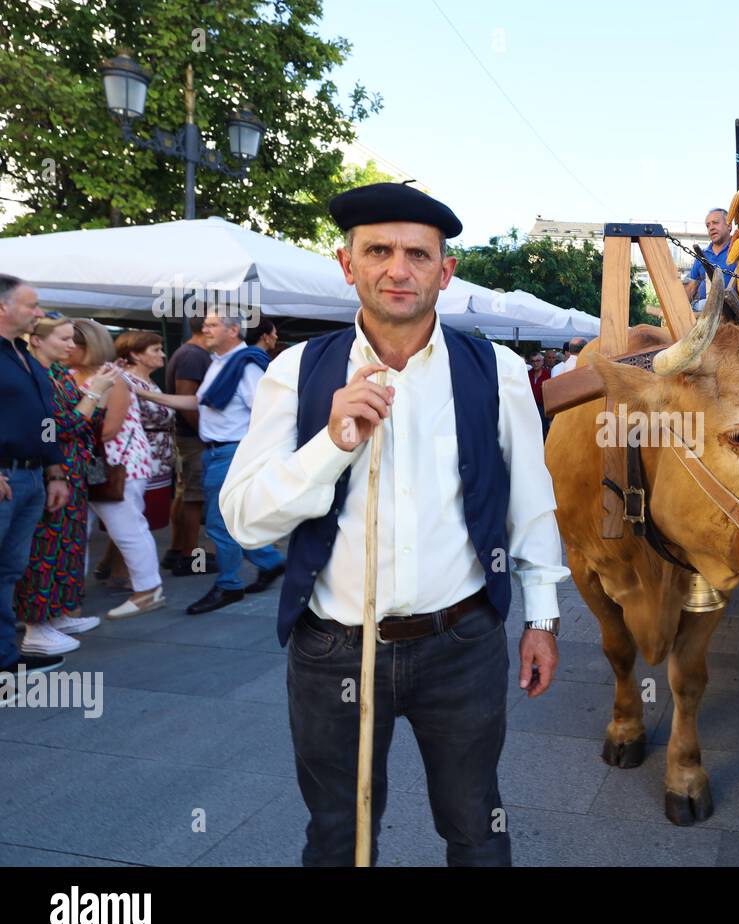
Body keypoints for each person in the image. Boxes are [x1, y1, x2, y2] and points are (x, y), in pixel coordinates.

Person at [220, 182, 570, 866]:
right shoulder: (295, 372)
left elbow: (531, 501)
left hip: (461, 642)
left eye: (417, 253)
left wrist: (543, 618)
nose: (397, 268)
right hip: (333, 654)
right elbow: (245, 522)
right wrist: (331, 446)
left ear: (447, 270)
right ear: (347, 264)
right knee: (337, 837)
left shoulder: (494, 370)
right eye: (377, 250)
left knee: (477, 826)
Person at [134, 309, 286, 614]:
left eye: (213, 325)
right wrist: (143, 393)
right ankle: (270, 562)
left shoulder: (246, 367)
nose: (206, 329)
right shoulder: (221, 363)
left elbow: (267, 413)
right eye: (205, 325)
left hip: (232, 453)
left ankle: (229, 585)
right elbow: (198, 402)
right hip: (216, 451)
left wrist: (256, 456)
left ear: (233, 331)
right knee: (230, 520)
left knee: (219, 523)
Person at [14, 316, 118, 654]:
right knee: (45, 548)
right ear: (37, 340)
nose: (71, 346)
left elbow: (82, 420)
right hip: (51, 472)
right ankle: (36, 625)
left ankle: (55, 614)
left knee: (69, 544)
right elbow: (55, 428)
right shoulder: (34, 374)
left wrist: (95, 396)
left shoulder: (57, 373)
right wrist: (94, 394)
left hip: (72, 471)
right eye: (63, 339)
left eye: (72, 339)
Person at [0, 275, 72, 680]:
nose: (39, 313)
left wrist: (54, 469)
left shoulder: (21, 354)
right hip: (5, 477)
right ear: (2, 307)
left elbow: (44, 419)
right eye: (31, 305)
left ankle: (5, 657)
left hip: (29, 479)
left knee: (9, 571)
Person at [71, 319, 166, 620]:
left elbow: (109, 429)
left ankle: (148, 590)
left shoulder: (115, 379)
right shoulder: (70, 375)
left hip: (117, 465)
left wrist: (65, 437)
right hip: (89, 463)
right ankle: (69, 599)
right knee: (77, 532)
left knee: (127, 528)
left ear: (88, 345)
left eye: (70, 341)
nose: (65, 347)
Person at [164, 314, 214, 577]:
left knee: (186, 493)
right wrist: (204, 432)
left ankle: (177, 550)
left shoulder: (189, 353)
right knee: (194, 497)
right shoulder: (194, 356)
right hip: (193, 438)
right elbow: (185, 399)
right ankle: (189, 557)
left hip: (189, 436)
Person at [116, 331, 175, 534]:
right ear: (136, 355)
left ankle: (109, 565)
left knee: (138, 525)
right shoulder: (126, 380)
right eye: (156, 349)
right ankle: (114, 566)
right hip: (137, 463)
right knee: (132, 525)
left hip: (157, 462)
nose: (163, 354)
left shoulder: (147, 382)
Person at [527, 351, 550, 436]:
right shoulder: (527, 374)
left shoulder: (548, 375)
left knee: (541, 433)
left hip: (542, 409)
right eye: (533, 361)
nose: (535, 363)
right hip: (529, 408)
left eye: (538, 361)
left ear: (542, 362)